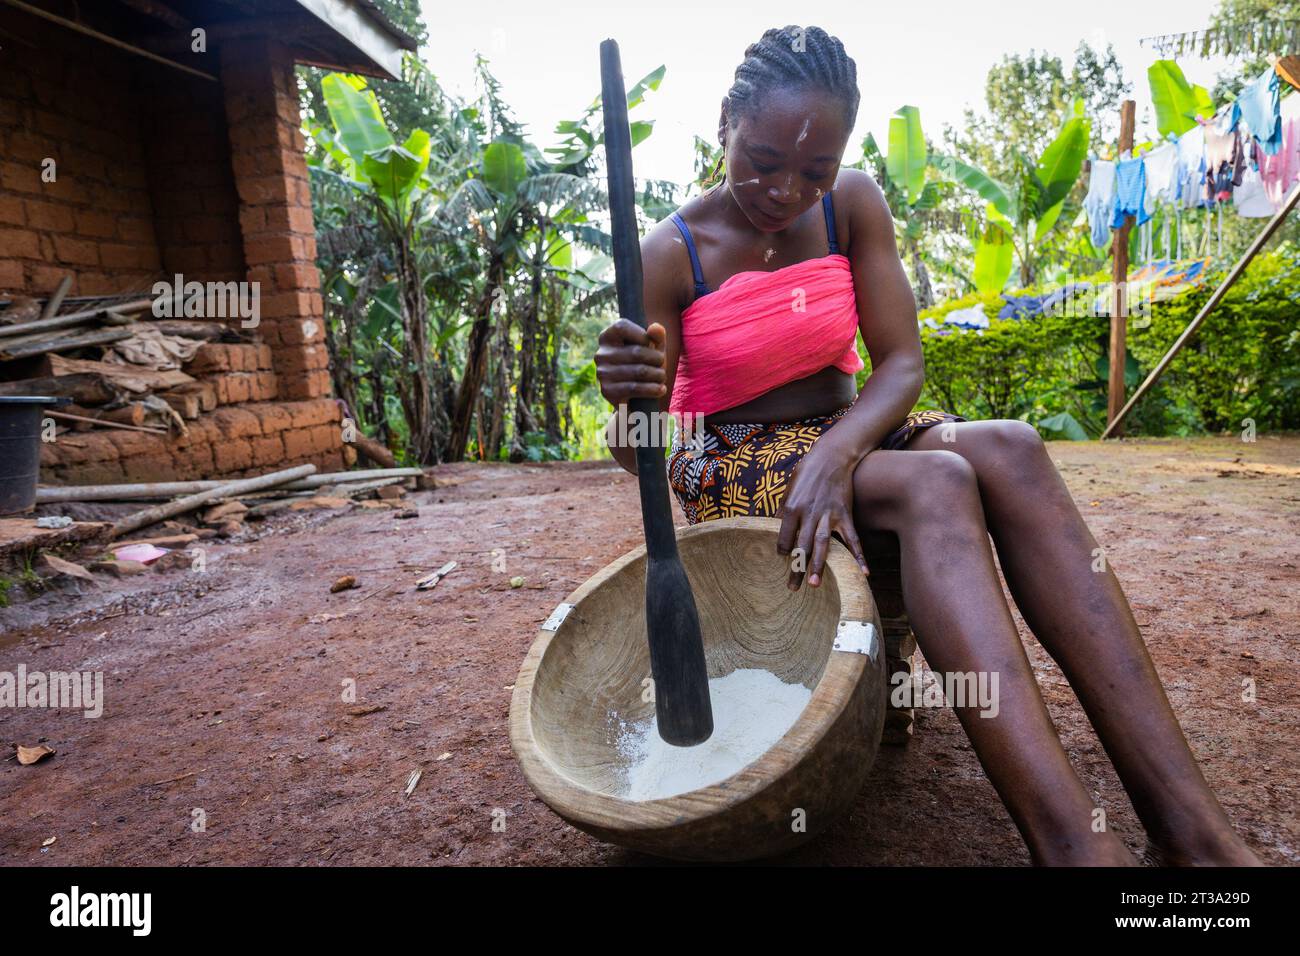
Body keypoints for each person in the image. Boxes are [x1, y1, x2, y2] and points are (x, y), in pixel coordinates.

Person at [594, 24, 1262, 867]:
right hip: (736, 461)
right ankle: (1075, 850)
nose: (785, 190)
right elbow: (635, 447)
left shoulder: (854, 204)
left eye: (814, 170)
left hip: (853, 432)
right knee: (935, 484)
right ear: (726, 119)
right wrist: (627, 394)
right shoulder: (670, 251)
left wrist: (837, 453)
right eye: (763, 160)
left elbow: (901, 360)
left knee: (1013, 447)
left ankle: (1194, 834)